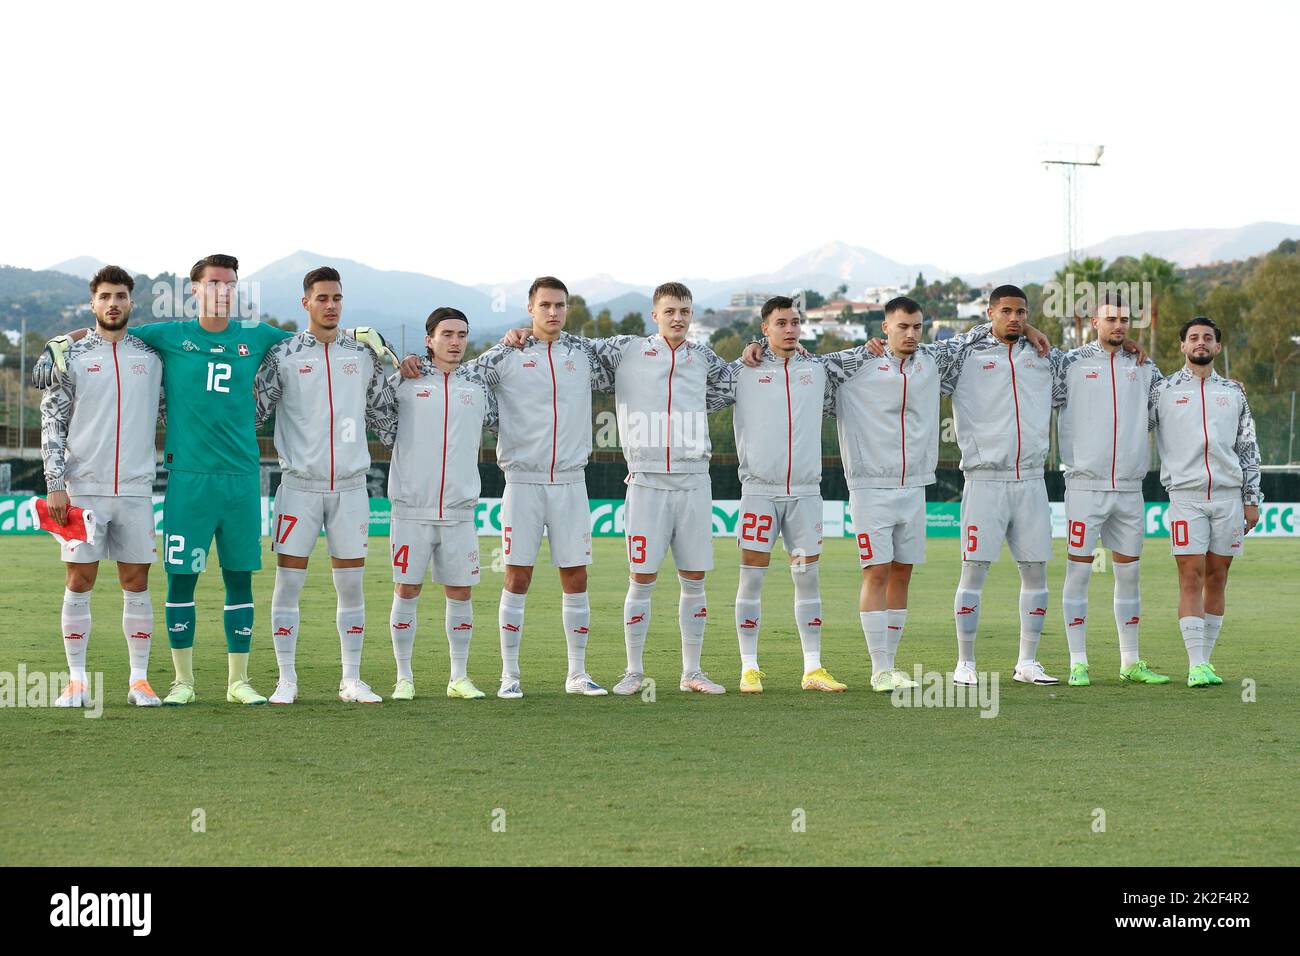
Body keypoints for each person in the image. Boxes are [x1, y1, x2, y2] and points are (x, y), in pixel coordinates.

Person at [253, 266, 397, 704]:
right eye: (322, 298)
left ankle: (351, 679)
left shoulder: (363, 354)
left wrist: (408, 370)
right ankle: (286, 679)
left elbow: (386, 415)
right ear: (306, 303)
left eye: (336, 298)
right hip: (298, 486)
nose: (330, 305)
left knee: (351, 587)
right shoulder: (283, 355)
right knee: (288, 585)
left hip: (352, 489)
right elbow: (252, 413)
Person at [40, 265, 164, 708]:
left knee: (137, 580)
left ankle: (139, 681)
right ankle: (76, 681)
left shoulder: (151, 358)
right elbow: (52, 421)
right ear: (92, 304)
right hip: (83, 487)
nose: (113, 304)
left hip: (135, 487)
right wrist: (56, 481)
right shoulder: (68, 357)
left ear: (132, 302)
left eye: (121, 296)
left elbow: (170, 412)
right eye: (105, 297)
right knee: (80, 579)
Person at [376, 307, 496, 701]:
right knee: (406, 589)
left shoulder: (477, 385)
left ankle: (458, 677)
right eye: (447, 334)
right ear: (429, 340)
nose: (456, 341)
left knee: (460, 592)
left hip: (460, 510)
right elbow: (370, 405)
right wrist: (396, 364)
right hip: (411, 507)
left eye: (462, 334)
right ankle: (404, 677)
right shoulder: (404, 382)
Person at [1056, 294, 1170, 686]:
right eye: (1111, 319)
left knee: (1130, 576)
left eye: (1125, 319)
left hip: (1130, 487)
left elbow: (1165, 410)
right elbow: (1025, 360)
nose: (1119, 326)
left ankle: (1130, 661)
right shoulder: (1069, 363)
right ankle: (1078, 661)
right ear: (1094, 321)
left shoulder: (1144, 367)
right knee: (1079, 574)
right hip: (1085, 486)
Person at [1150, 316, 1262, 687]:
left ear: (1218, 347)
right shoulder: (1161, 391)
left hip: (1229, 497)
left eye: (1208, 338)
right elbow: (1133, 429)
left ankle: (1206, 661)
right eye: (1193, 338)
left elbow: (1247, 448)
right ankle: (1195, 664)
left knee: (1218, 575)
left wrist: (1251, 498)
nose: (1200, 343)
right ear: (1182, 346)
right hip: (1186, 496)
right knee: (1190, 575)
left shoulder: (1233, 393)